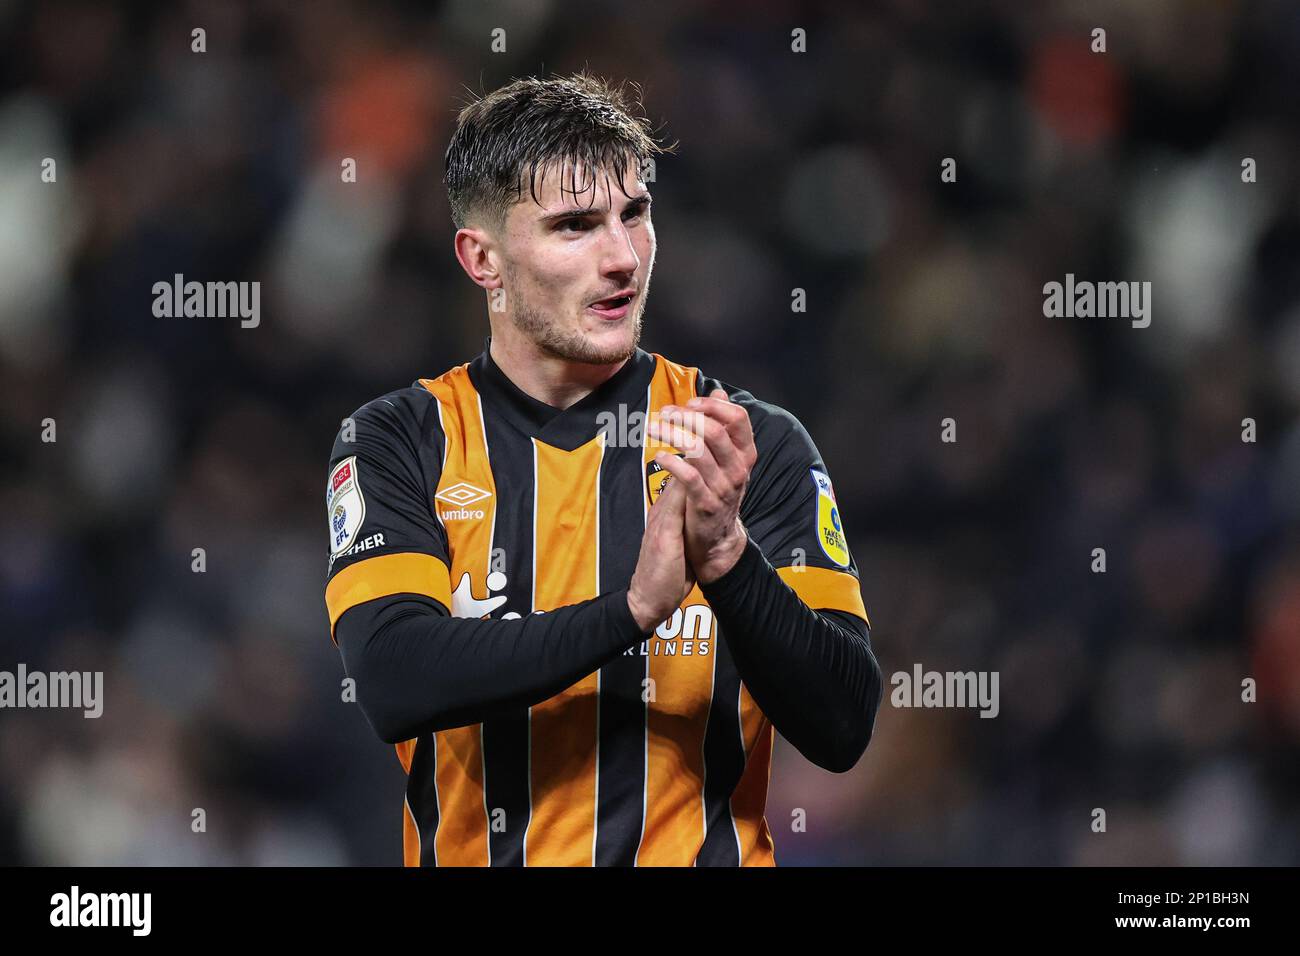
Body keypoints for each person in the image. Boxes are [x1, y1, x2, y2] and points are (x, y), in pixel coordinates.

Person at [323, 72, 882, 866]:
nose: (622, 257)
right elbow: (393, 678)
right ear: (483, 259)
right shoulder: (402, 441)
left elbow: (842, 726)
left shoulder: (746, 444)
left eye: (635, 214)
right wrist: (631, 611)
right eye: (575, 226)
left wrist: (728, 560)